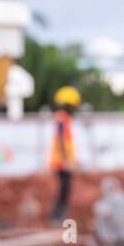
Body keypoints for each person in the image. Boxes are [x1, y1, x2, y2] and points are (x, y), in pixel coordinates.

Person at [49, 87, 80, 223]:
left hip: (63, 160)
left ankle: (59, 215)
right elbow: (61, 140)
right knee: (64, 189)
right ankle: (57, 215)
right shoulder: (62, 119)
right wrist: (67, 160)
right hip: (61, 161)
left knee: (65, 189)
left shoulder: (63, 119)